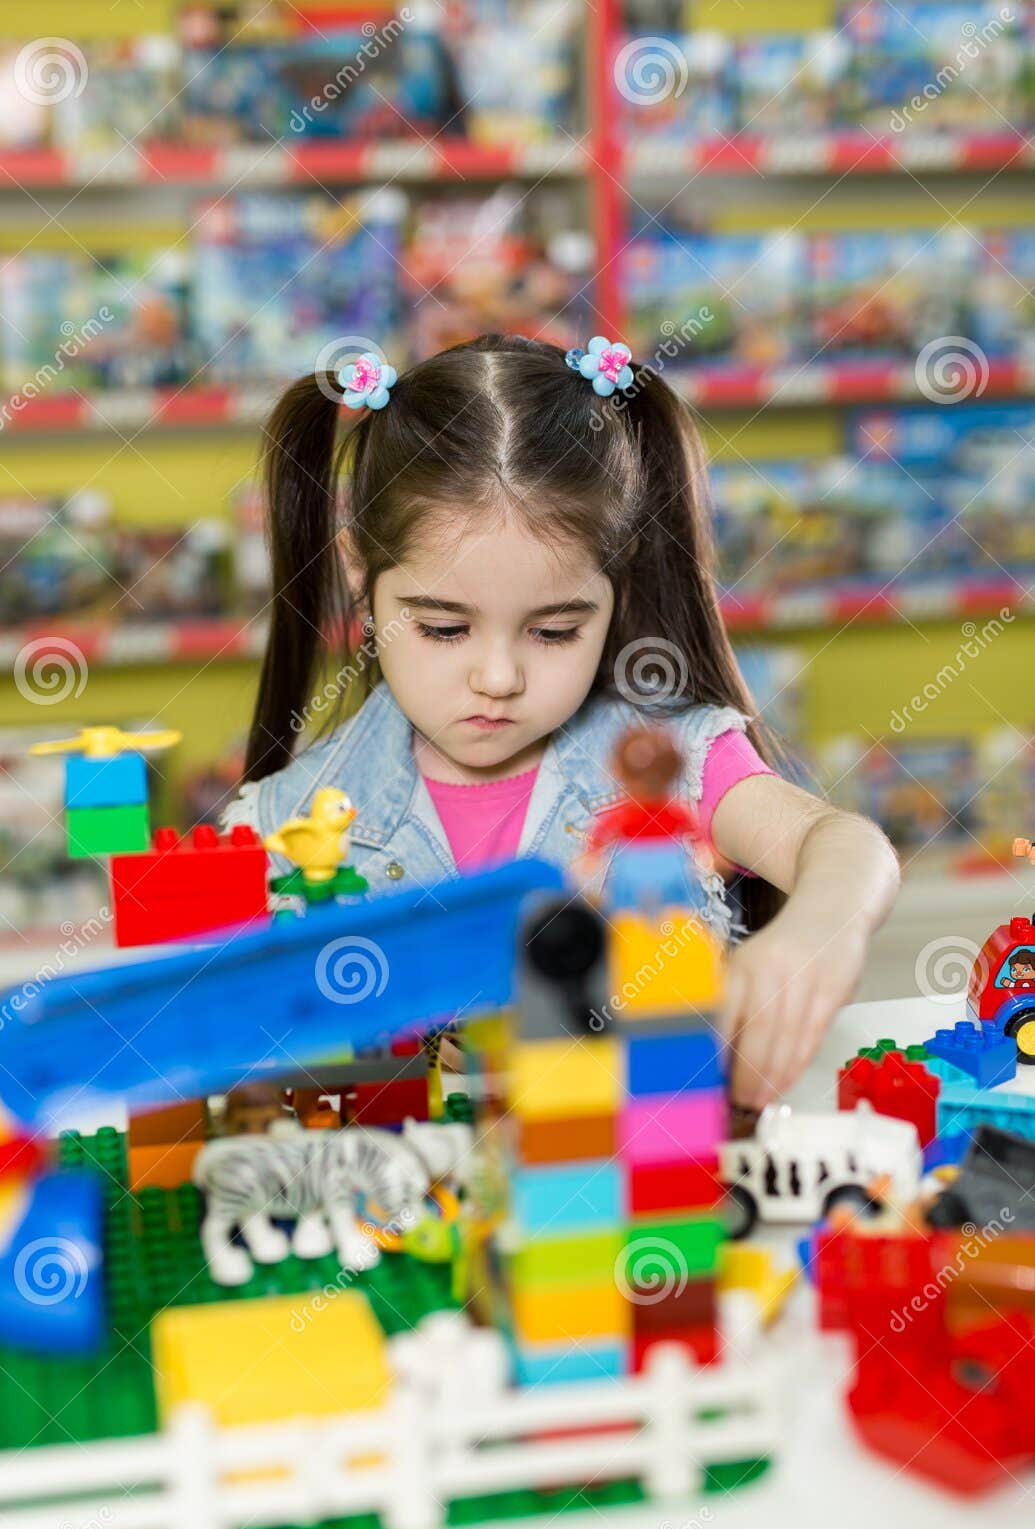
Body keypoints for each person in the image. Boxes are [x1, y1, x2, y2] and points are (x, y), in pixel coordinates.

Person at [221, 333, 899, 1108]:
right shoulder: (284, 821)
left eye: (553, 631)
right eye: (444, 628)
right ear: (358, 574)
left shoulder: (668, 761)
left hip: (644, 1199)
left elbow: (841, 843)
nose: (498, 678)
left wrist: (818, 932)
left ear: (615, 587)